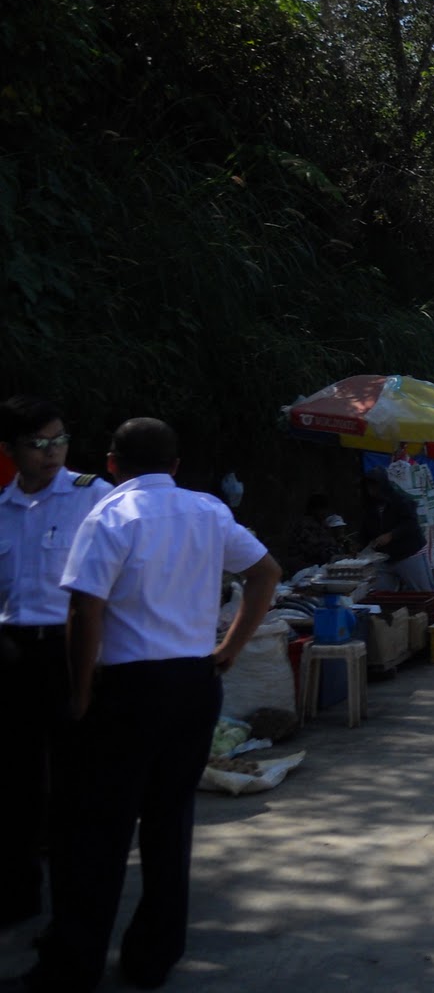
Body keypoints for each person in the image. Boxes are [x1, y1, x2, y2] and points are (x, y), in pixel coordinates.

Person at [21, 418, 279, 993]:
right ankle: (153, 956)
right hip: (192, 685)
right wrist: (228, 649)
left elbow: (84, 612)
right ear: (176, 466)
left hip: (128, 690)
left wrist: (81, 695)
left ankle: (73, 963)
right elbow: (266, 574)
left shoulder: (111, 515)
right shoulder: (209, 511)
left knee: (98, 832)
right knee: (169, 824)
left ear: (112, 463)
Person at [0, 396, 111, 931]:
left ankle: (76, 906)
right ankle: (18, 893)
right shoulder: (0, 507)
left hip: (69, 652)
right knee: (16, 781)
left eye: (59, 440)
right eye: (37, 444)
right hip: (11, 653)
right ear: (9, 450)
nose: (51, 454)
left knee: (76, 780)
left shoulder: (93, 498)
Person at [358, 470, 431, 591]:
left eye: (374, 486)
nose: (371, 490)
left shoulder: (401, 501)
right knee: (382, 593)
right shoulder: (370, 507)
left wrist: (392, 535)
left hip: (408, 553)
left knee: (421, 590)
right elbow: (365, 529)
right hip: (384, 558)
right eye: (368, 487)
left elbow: (411, 523)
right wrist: (361, 546)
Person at [279, 492, 342, 575]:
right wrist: (335, 554)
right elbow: (316, 550)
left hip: (318, 565)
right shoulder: (305, 525)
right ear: (314, 510)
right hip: (304, 568)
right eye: (322, 510)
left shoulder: (321, 524)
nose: (325, 513)